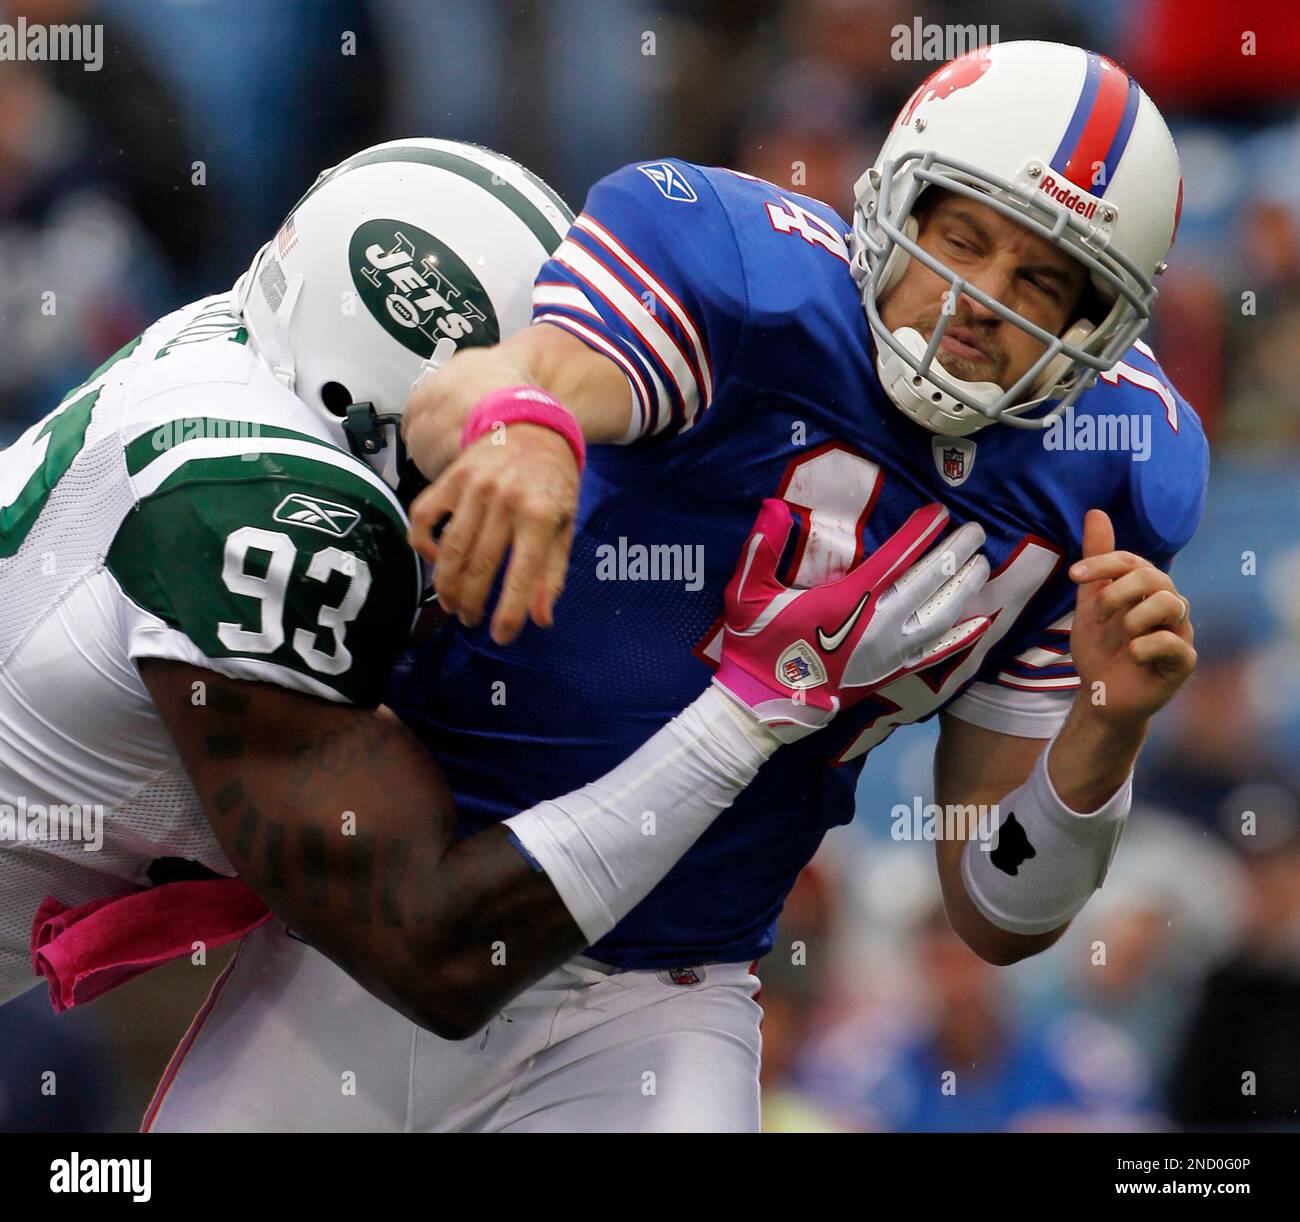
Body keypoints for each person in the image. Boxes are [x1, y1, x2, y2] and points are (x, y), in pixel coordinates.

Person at [151, 42, 1207, 1132]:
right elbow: (478, 384)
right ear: (896, 197)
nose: (983, 301)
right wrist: (528, 431)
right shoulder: (746, 278)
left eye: (1040, 278)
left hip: (664, 998)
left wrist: (1105, 729)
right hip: (403, 907)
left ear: (1104, 322)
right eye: (963, 236)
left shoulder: (1105, 473)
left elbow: (996, 911)